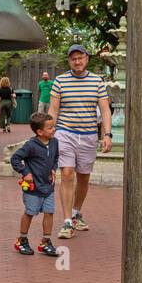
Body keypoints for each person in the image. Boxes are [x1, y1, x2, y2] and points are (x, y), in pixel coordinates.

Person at [50, 44, 112, 239]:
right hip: (65, 133)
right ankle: (67, 221)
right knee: (67, 173)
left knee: (84, 177)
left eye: (80, 58)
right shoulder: (60, 81)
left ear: (87, 59)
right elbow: (53, 109)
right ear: (69, 61)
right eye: (73, 58)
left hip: (88, 135)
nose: (77, 61)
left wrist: (107, 135)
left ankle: (76, 212)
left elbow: (104, 110)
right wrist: (49, 132)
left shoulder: (97, 82)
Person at [10, 111, 60, 256]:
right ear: (39, 131)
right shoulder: (30, 145)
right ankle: (22, 240)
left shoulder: (55, 142)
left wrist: (53, 169)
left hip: (48, 187)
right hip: (33, 188)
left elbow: (56, 157)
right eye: (50, 128)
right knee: (30, 213)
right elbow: (15, 159)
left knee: (49, 212)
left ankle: (46, 241)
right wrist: (25, 173)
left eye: (53, 126)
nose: (54, 130)